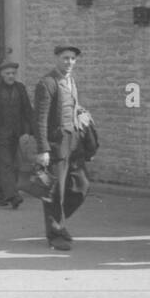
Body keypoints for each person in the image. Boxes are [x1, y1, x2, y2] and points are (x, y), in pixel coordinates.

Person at [33, 45, 91, 251]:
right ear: (57, 58)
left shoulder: (71, 81)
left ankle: (58, 221)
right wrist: (43, 149)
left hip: (74, 140)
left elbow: (70, 106)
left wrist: (81, 112)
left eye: (73, 59)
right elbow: (40, 119)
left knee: (81, 185)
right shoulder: (47, 83)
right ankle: (56, 234)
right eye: (65, 58)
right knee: (55, 191)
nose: (69, 62)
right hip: (57, 143)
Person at [0, 61, 31, 208]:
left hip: (15, 133)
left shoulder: (20, 88)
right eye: (8, 73)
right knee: (6, 164)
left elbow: (27, 110)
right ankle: (13, 196)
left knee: (9, 166)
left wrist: (29, 131)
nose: (11, 76)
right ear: (1, 74)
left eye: (13, 74)